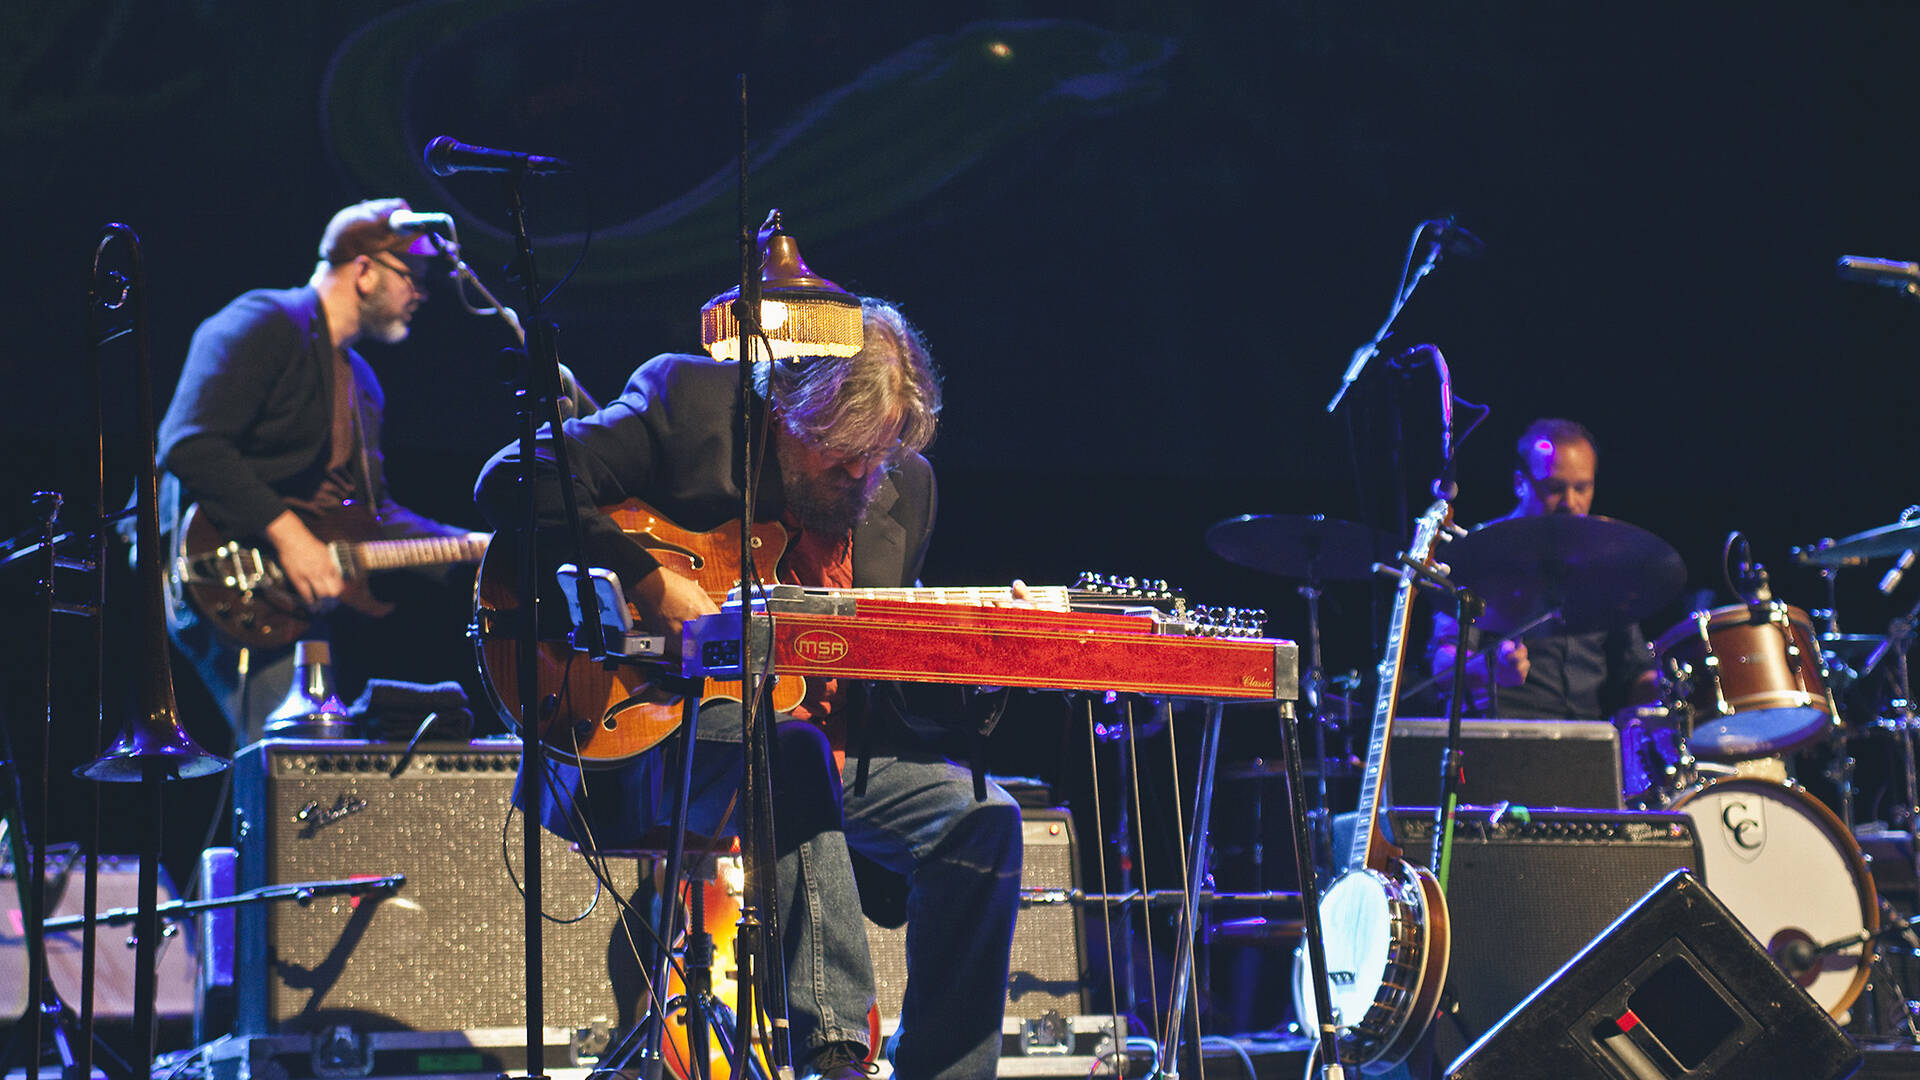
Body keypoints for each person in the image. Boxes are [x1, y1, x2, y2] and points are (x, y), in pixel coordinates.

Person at [472, 297, 1023, 1080]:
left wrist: (976, 665)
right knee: (789, 748)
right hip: (657, 731)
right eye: (838, 453)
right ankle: (835, 1054)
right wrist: (647, 579)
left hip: (826, 757)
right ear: (785, 407)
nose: (859, 474)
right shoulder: (694, 408)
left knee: (983, 817)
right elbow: (514, 478)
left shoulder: (909, 489)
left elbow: (886, 693)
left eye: (878, 453)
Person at [155, 197, 488, 744]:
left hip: (290, 600)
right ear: (364, 270)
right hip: (220, 572)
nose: (422, 294)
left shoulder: (362, 383)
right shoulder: (264, 321)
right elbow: (190, 444)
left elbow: (373, 514)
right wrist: (293, 540)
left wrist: (470, 548)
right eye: (413, 276)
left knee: (317, 756)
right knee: (295, 758)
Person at [1428, 417, 1657, 719]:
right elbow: (1442, 664)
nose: (1570, 502)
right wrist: (1490, 667)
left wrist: (1669, 689)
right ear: (1520, 483)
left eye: (1582, 487)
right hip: (1505, 733)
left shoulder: (1603, 557)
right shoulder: (1481, 552)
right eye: (1554, 488)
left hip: (1589, 736)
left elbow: (1637, 670)